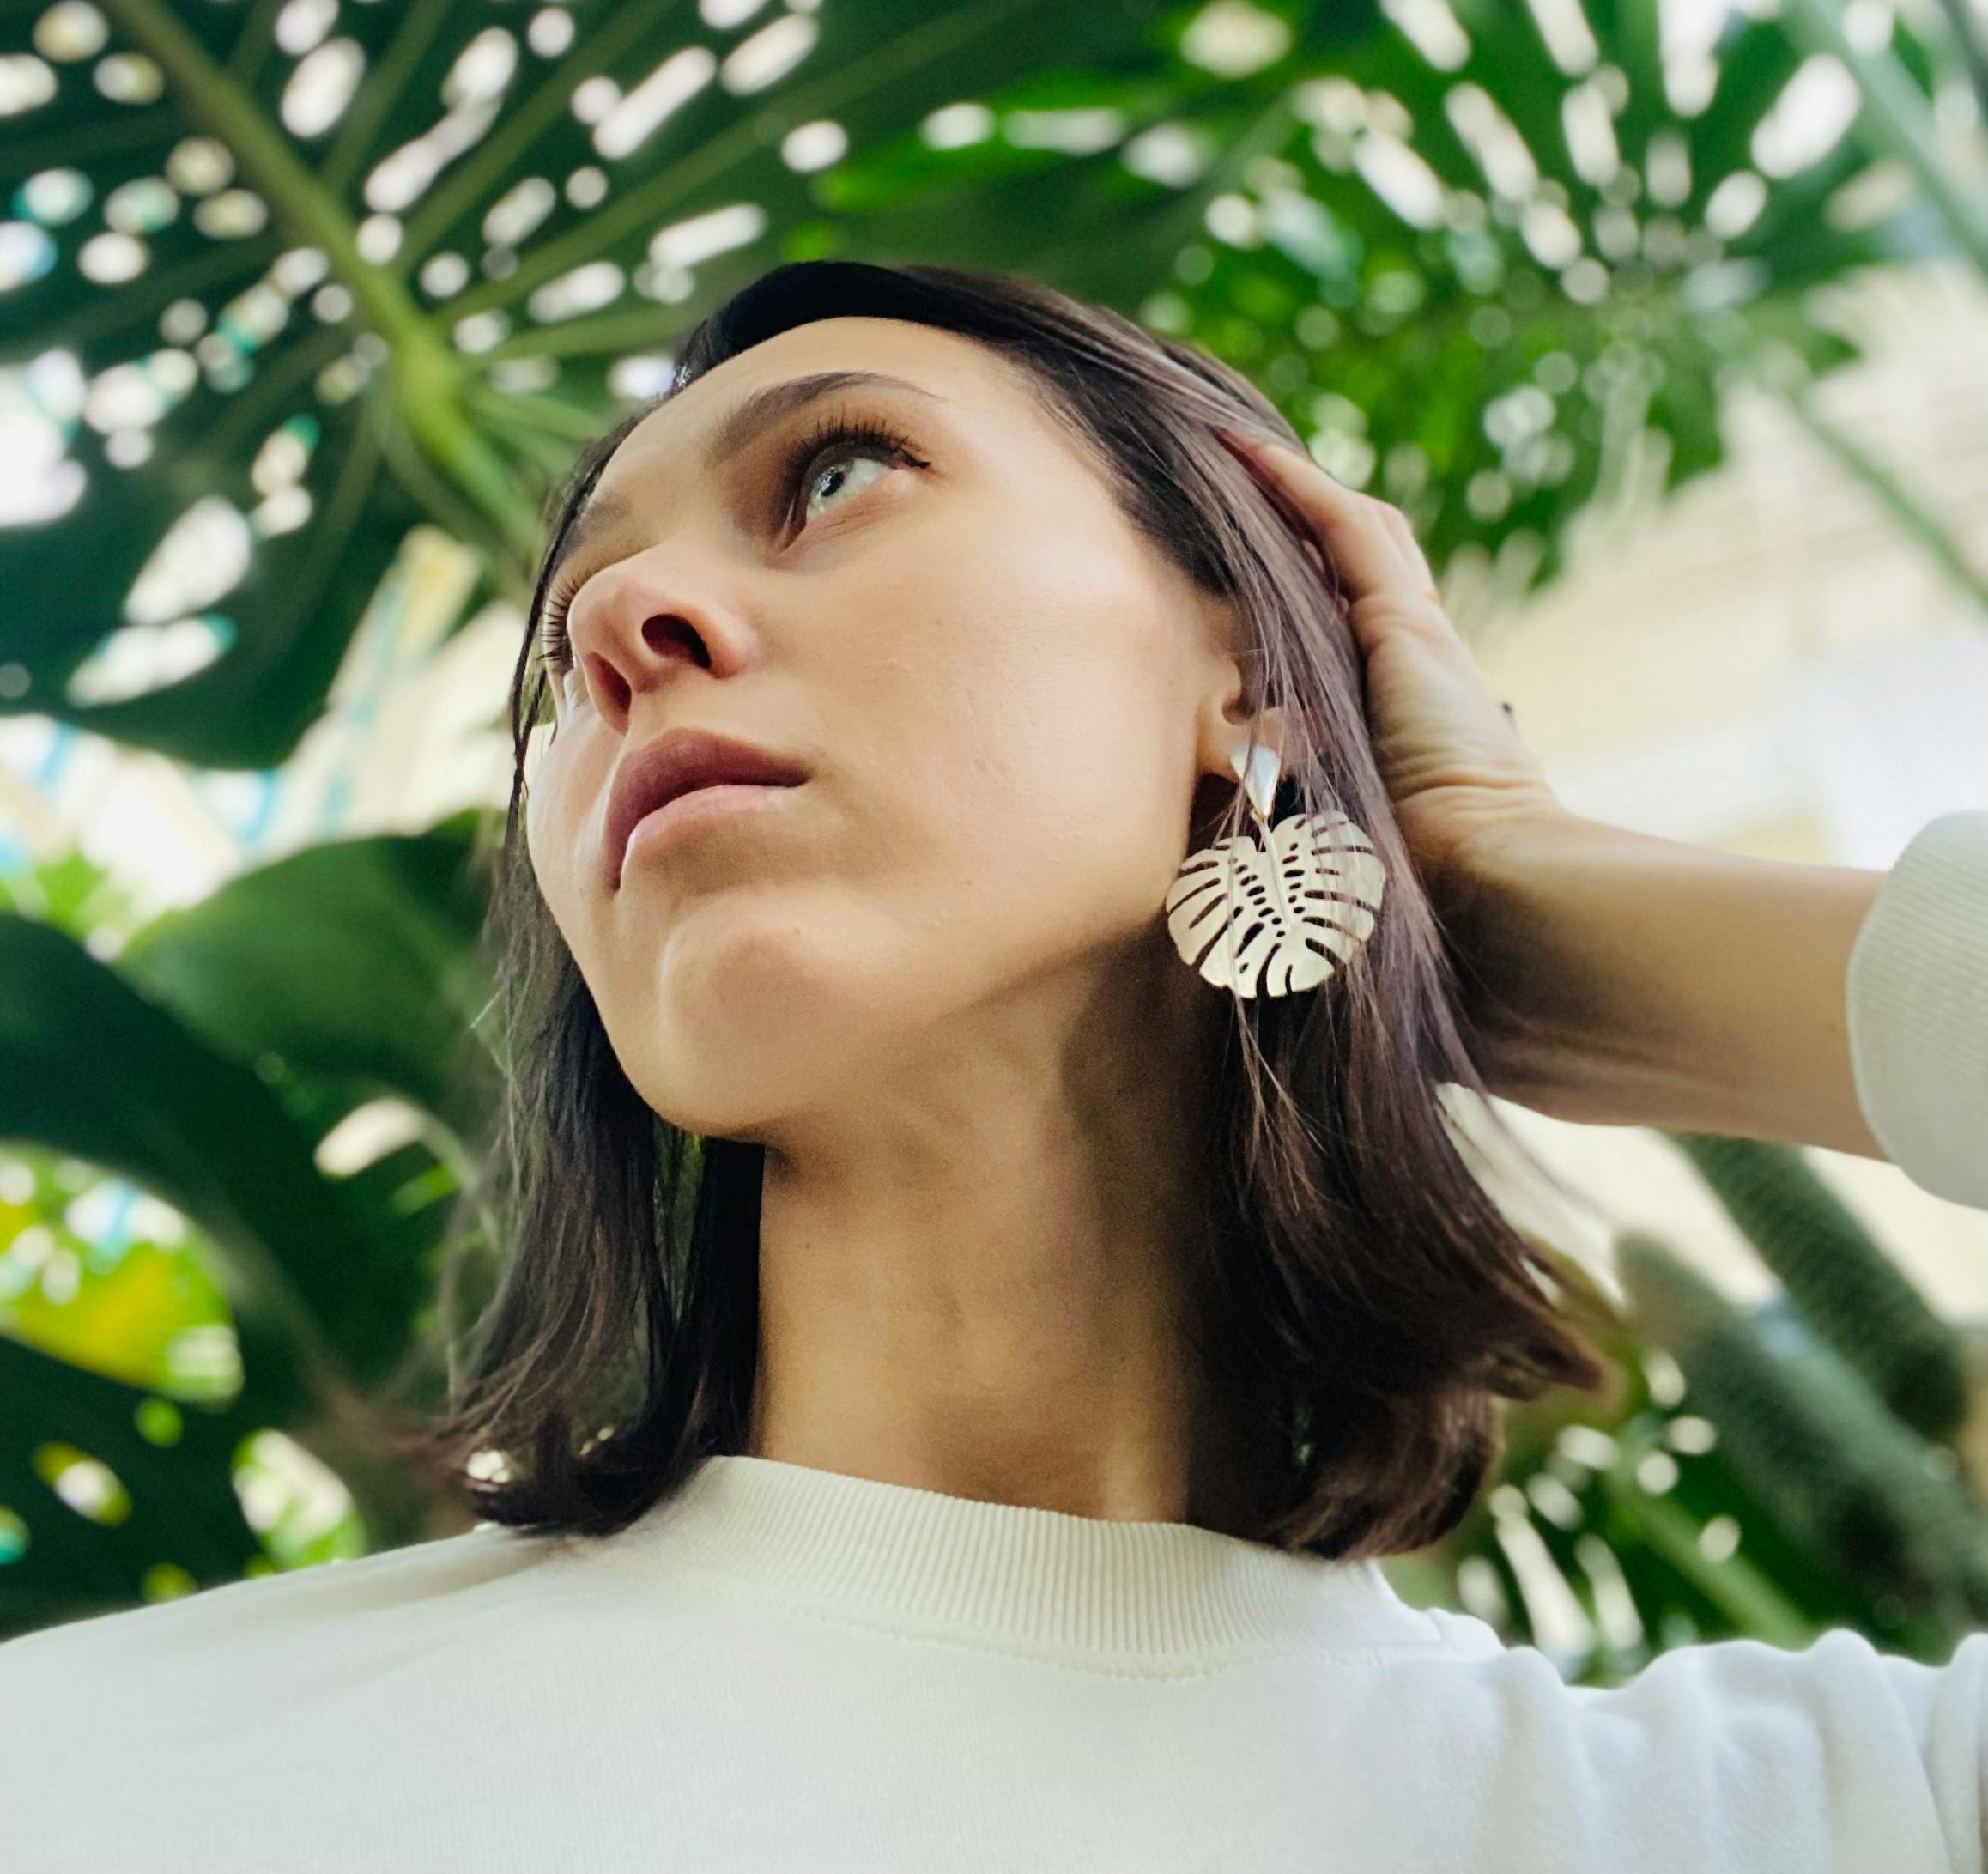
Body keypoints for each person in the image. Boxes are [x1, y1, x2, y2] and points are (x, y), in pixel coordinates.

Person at [5, 256, 1985, 1872]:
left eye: (839, 474)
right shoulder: (105, 1776)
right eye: (560, 647)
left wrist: (1539, 921)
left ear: (1251, 664)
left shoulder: (1804, 1820)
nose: (615, 621)